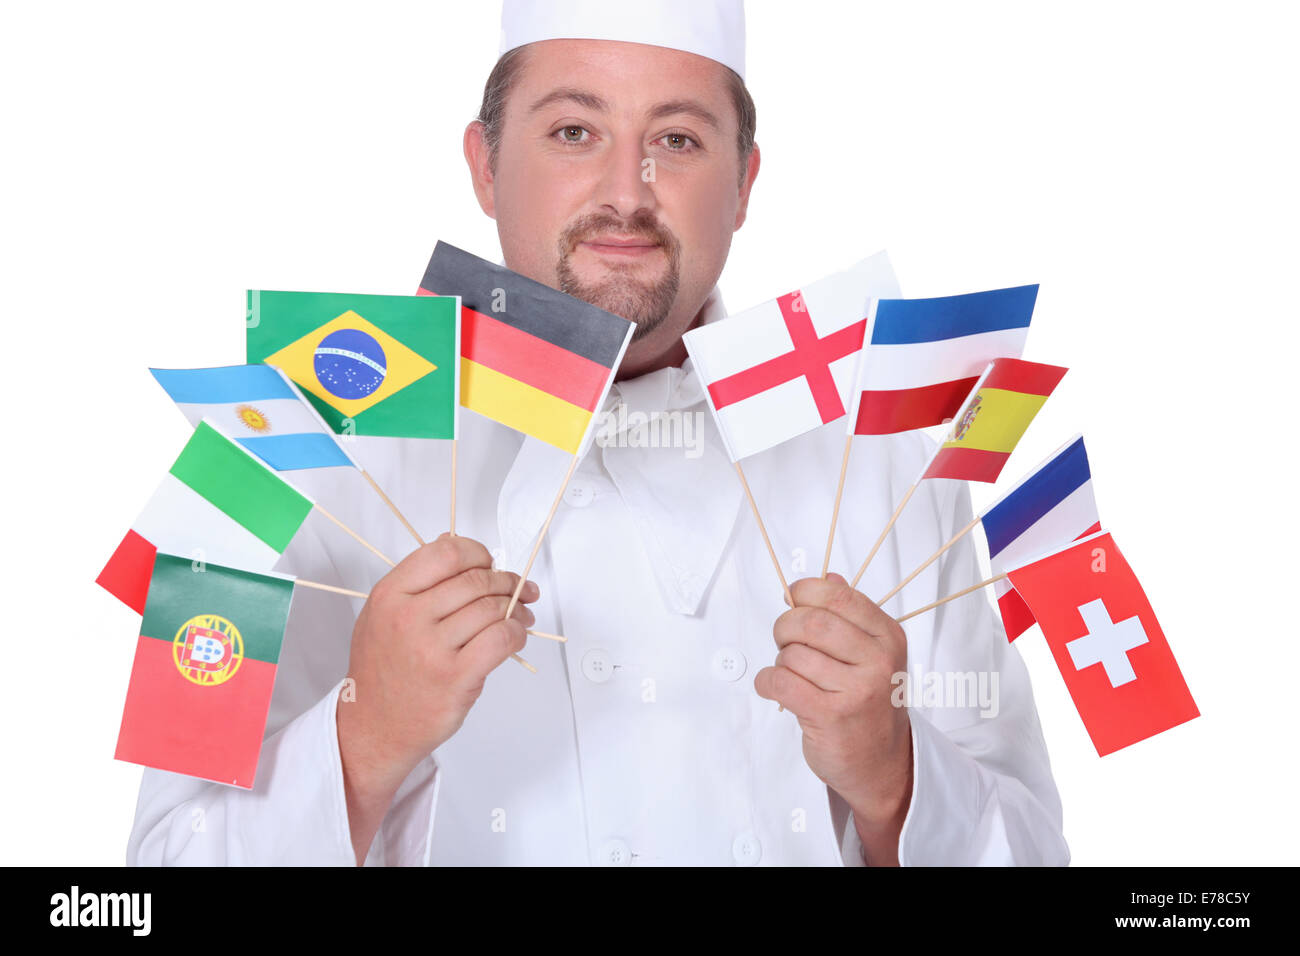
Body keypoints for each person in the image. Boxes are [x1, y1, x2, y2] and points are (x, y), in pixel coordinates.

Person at [127, 0, 1069, 866]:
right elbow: (155, 873)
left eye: (679, 138)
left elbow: (1035, 852)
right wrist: (364, 740)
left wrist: (897, 781)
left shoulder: (886, 453)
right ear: (485, 166)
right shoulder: (278, 440)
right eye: (573, 131)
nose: (631, 191)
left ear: (743, 184)